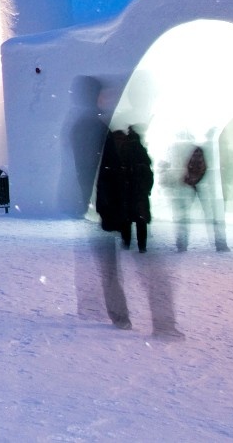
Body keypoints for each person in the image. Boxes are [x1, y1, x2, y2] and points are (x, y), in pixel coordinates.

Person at [92, 126, 181, 338]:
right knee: (128, 230)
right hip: (125, 202)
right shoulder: (120, 157)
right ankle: (149, 324)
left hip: (131, 199)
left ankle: (137, 246)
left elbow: (143, 175)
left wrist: (140, 189)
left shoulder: (122, 156)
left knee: (136, 225)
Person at [172, 141, 229, 252]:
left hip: (191, 184)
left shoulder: (188, 148)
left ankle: (182, 244)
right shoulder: (207, 149)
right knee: (211, 215)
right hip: (202, 184)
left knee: (184, 216)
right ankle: (220, 244)